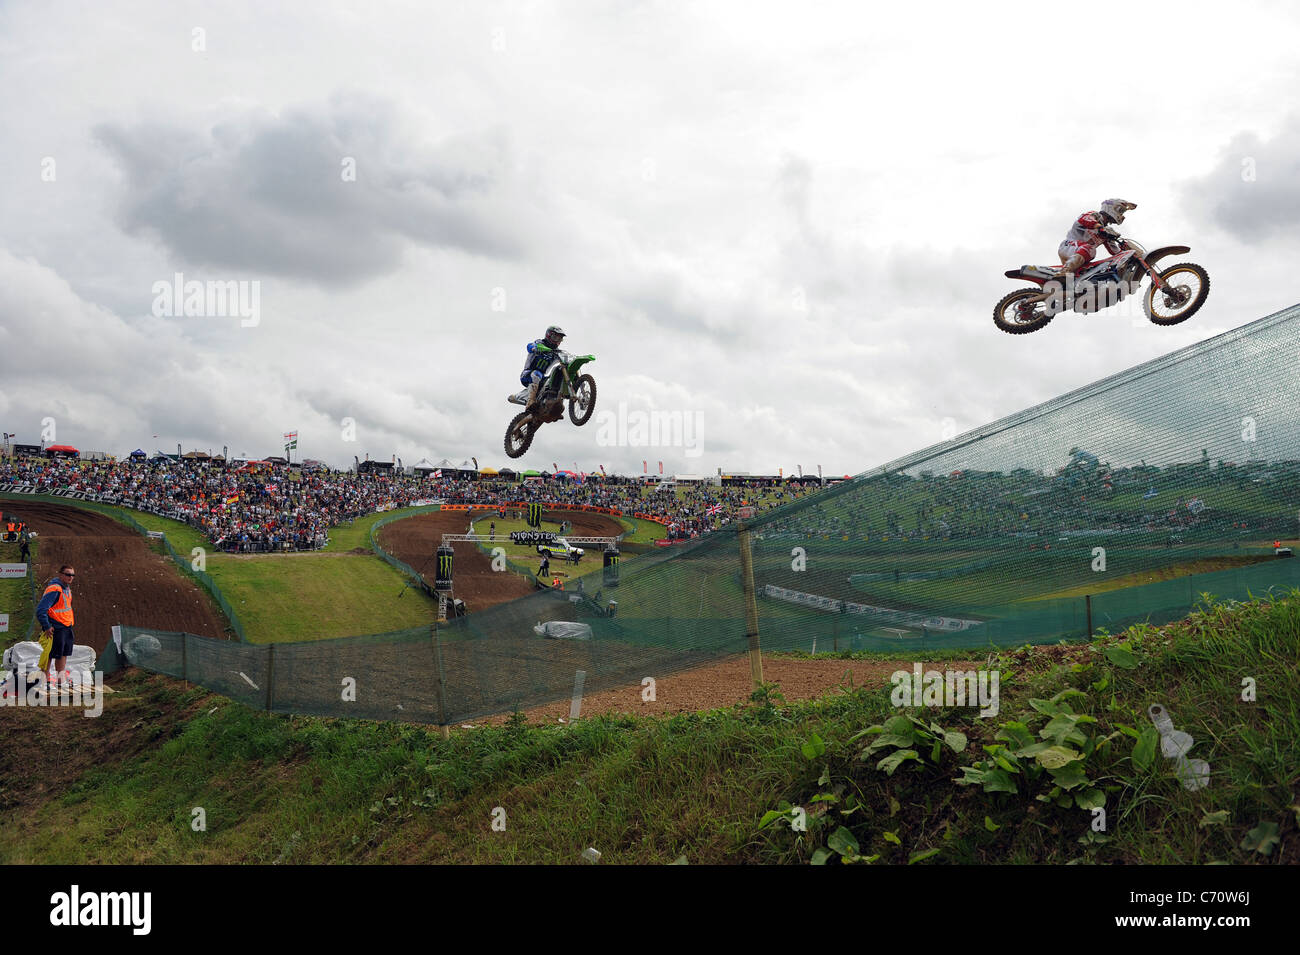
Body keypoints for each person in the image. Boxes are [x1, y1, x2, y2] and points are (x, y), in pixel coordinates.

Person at [1020, 199, 1137, 311]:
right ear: (1111, 207)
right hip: (1069, 246)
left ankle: (1081, 294)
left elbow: (1115, 252)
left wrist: (1125, 249)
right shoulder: (1095, 216)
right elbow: (1084, 219)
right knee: (1089, 248)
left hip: (1081, 257)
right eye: (1120, 211)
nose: (1121, 214)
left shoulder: (1106, 231)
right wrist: (1099, 227)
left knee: (1100, 266)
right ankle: (1064, 272)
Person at [36, 564, 76, 687]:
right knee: (50, 654)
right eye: (68, 574)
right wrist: (47, 626)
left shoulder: (66, 589)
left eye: (72, 575)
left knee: (63, 654)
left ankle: (60, 681)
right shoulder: (54, 589)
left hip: (66, 625)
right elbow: (41, 610)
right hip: (55, 626)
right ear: (60, 575)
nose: (70, 577)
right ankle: (44, 682)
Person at [517, 325, 566, 409]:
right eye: (555, 337)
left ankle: (552, 404)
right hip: (528, 374)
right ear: (548, 336)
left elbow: (564, 358)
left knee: (555, 379)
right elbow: (529, 346)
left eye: (559, 338)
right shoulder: (540, 343)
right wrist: (534, 348)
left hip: (542, 378)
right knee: (537, 373)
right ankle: (530, 402)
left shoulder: (557, 352)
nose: (557, 341)